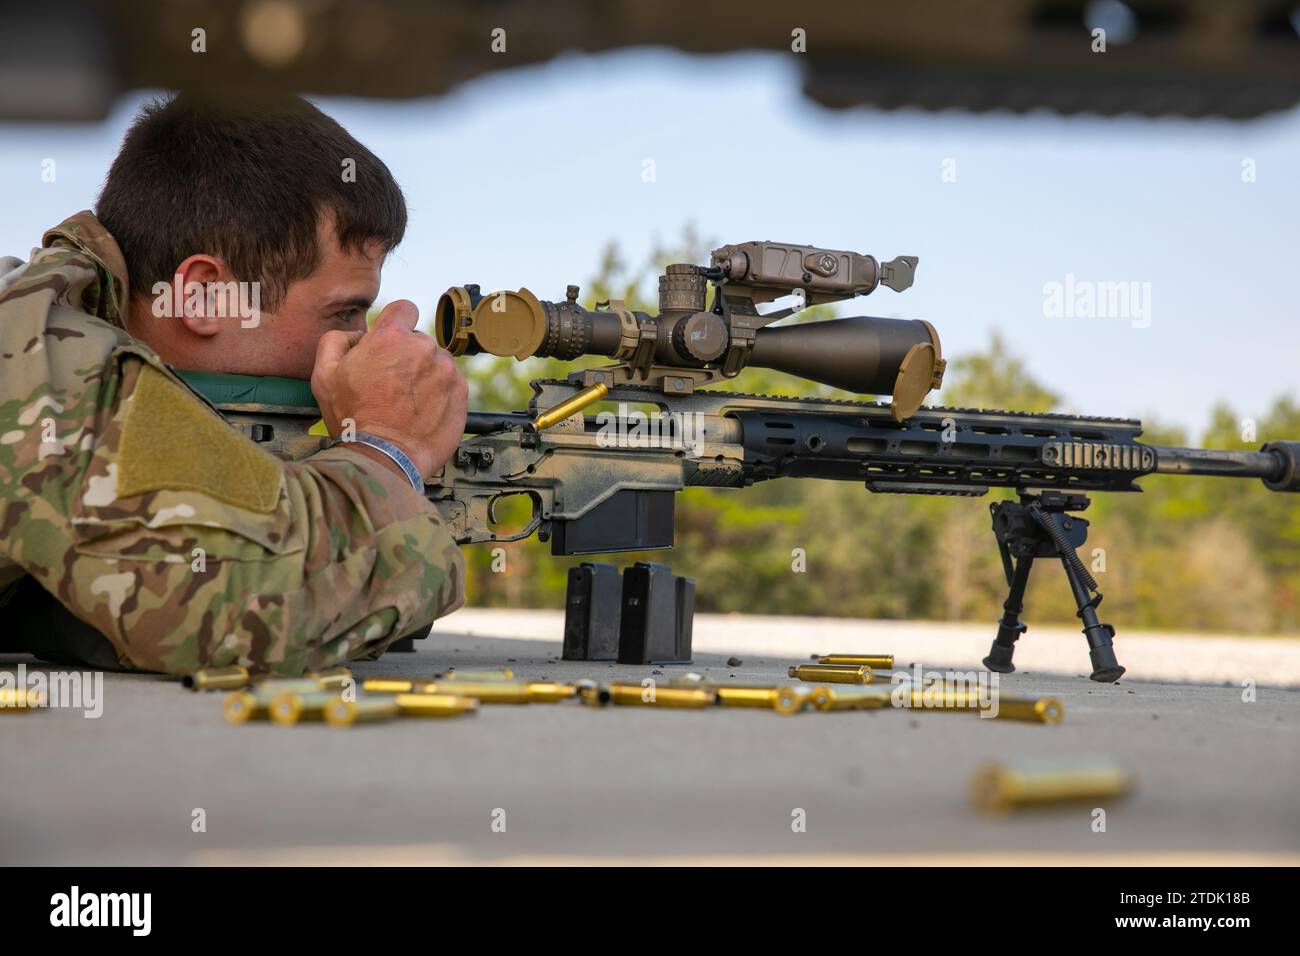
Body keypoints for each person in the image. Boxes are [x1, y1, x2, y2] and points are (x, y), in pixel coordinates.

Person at [0, 93, 468, 675]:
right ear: (205, 296)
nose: (361, 344)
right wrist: (388, 448)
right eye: (344, 313)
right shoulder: (39, 357)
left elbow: (121, 585)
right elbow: (251, 606)